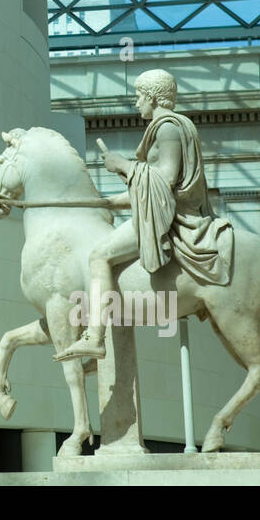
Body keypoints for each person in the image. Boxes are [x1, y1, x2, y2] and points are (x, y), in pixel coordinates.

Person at [53, 68, 234, 361]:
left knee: (99, 255)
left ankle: (95, 336)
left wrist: (122, 164)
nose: (136, 103)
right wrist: (111, 202)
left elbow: (166, 179)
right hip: (163, 209)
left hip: (173, 218)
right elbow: (150, 190)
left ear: (152, 96)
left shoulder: (168, 128)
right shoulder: (171, 126)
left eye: (139, 96)